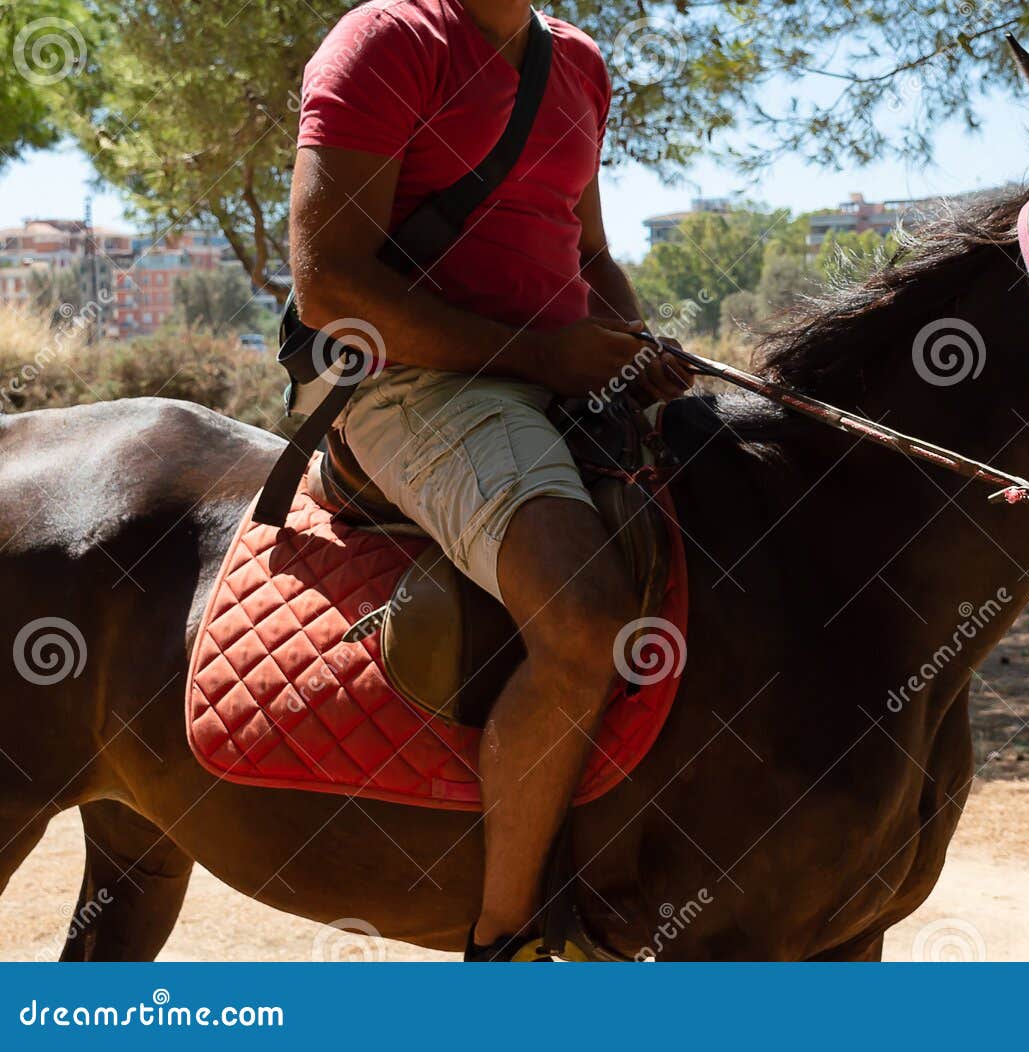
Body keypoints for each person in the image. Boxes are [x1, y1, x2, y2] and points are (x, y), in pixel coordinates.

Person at [289, 0, 691, 960]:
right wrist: (546, 358)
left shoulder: (580, 63)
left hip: (556, 377)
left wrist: (637, 353)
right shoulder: (388, 40)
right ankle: (507, 940)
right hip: (409, 383)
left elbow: (587, 255)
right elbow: (329, 285)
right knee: (587, 617)